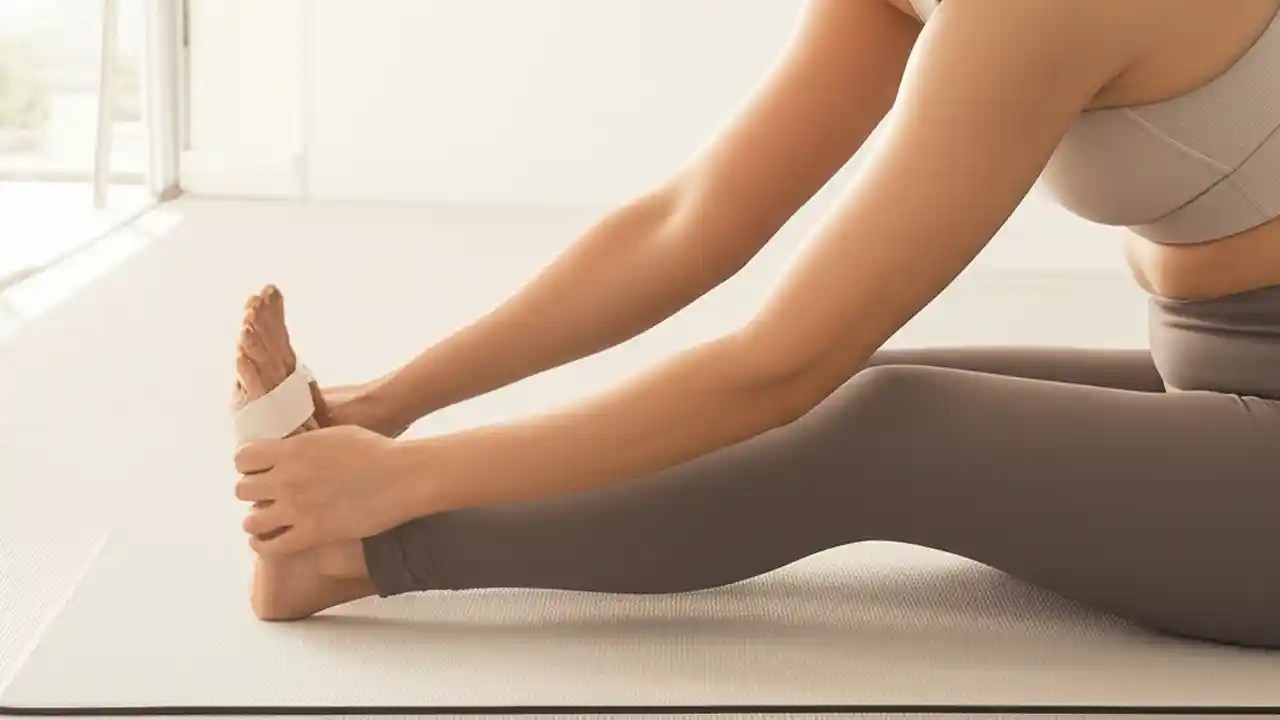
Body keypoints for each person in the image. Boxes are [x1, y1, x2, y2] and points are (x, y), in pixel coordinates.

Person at [228, 0, 1280, 648]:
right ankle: (356, 538)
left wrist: (411, 476)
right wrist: (393, 403)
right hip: (1221, 374)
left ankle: (357, 554)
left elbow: (779, 365)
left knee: (878, 423)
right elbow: (689, 224)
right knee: (851, 400)